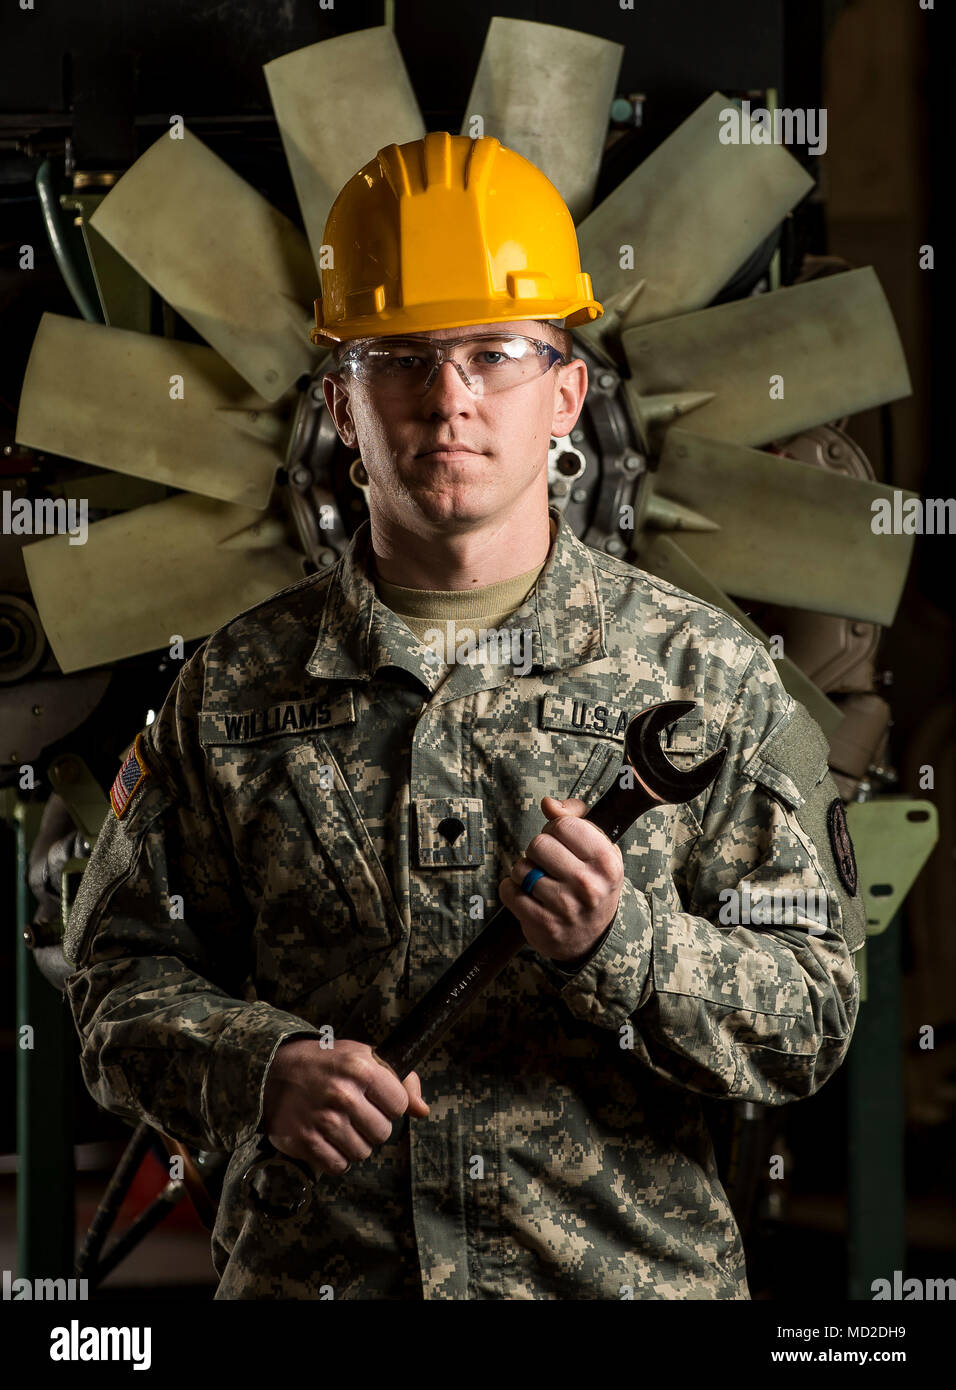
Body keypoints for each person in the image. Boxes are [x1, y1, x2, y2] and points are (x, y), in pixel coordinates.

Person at [64, 132, 863, 1300]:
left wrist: (619, 947)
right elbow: (113, 979)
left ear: (565, 396)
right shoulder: (230, 689)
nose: (449, 400)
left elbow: (812, 1011)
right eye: (400, 358)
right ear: (340, 402)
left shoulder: (708, 676)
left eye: (495, 354)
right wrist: (260, 1066)